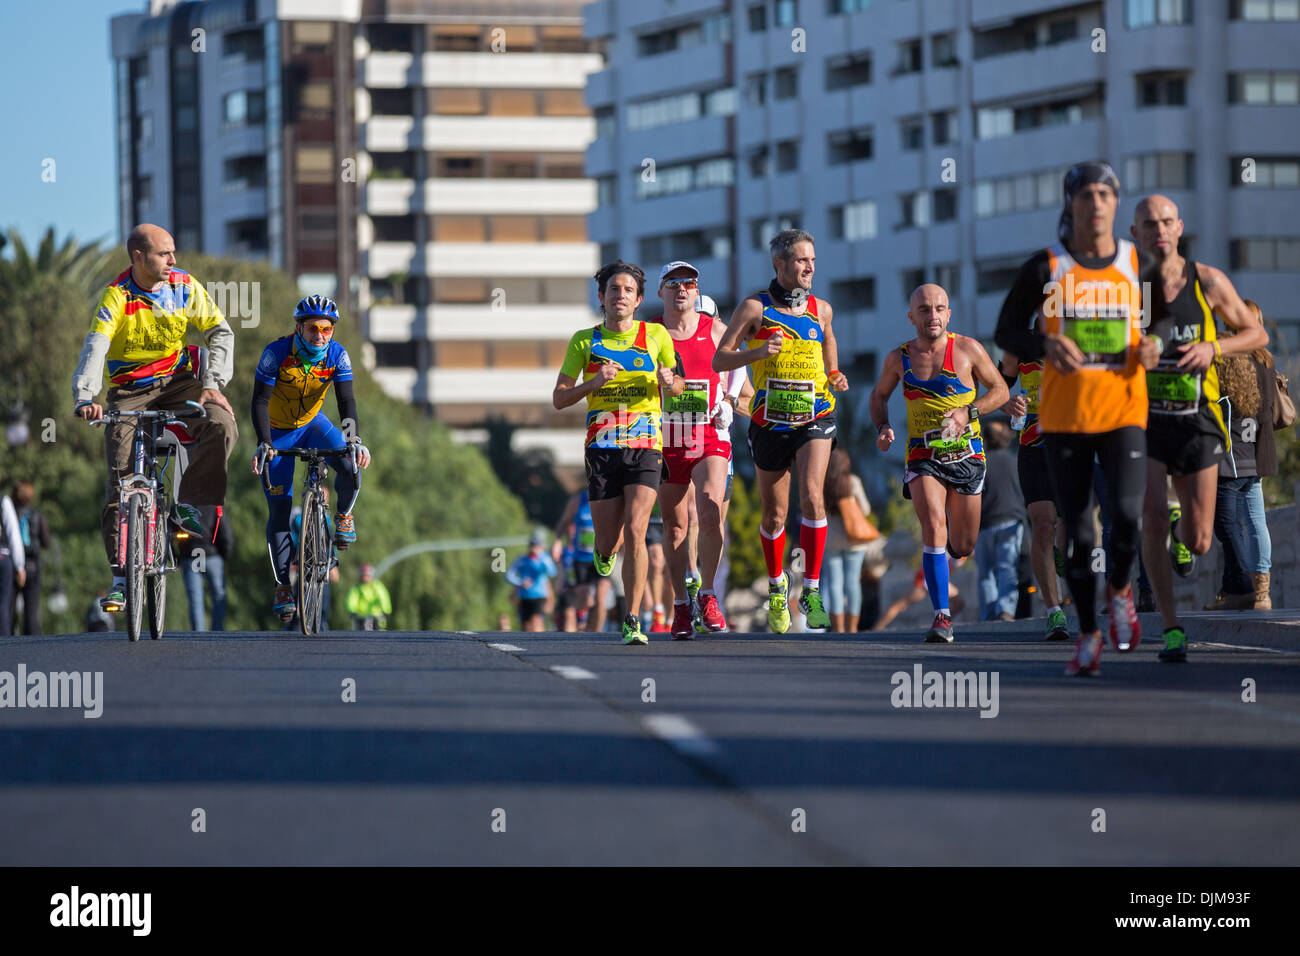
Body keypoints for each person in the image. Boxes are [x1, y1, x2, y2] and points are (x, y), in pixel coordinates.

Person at [995, 161, 1165, 677]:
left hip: (1124, 411)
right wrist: (1045, 343)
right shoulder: (1046, 267)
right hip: (1064, 418)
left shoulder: (1139, 263)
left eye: (1104, 194)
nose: (1095, 203)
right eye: (1085, 194)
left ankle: (1119, 593)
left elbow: (1165, 318)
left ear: (1116, 204)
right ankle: (1088, 632)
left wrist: (1155, 342)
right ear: (1071, 204)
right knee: (1079, 532)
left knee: (1129, 516)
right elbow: (1007, 332)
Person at [1129, 196, 1269, 662]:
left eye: (1166, 222)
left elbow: (1257, 333)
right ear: (1135, 233)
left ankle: (1180, 527)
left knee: (1199, 538)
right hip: (1145, 418)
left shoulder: (1207, 280)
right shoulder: (1128, 288)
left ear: (1180, 228)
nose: (1158, 230)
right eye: (1149, 224)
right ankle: (1171, 629)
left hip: (1198, 419)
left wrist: (1215, 346)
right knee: (1150, 517)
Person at [72, 223, 237, 613]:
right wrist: (85, 396)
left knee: (221, 424)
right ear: (138, 257)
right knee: (120, 480)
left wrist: (212, 383)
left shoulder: (183, 286)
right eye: (165, 254)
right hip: (128, 393)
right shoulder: (116, 297)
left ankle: (190, 507)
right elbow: (96, 344)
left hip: (179, 383)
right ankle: (119, 579)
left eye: (173, 252)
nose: (173, 260)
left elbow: (220, 332)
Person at [714, 229, 849, 633]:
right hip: (769, 421)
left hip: (815, 416)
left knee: (812, 497)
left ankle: (810, 588)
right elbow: (722, 359)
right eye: (801, 260)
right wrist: (756, 352)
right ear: (780, 264)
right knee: (774, 515)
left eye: (812, 260)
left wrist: (835, 374)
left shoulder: (820, 309)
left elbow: (828, 345)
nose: (809, 267)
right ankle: (777, 588)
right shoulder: (755, 307)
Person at [552, 259, 682, 645]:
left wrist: (668, 380)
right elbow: (559, 398)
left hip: (645, 445)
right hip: (603, 448)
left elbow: (677, 387)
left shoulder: (656, 336)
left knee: (639, 530)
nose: (620, 295)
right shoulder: (583, 340)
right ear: (601, 298)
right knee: (611, 541)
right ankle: (603, 549)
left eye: (628, 290)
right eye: (613, 289)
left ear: (639, 299)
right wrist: (593, 381)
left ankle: (632, 619)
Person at [870, 284, 1008, 642]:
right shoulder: (898, 358)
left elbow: (1001, 391)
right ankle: (942, 616)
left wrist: (968, 411)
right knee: (932, 525)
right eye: (925, 309)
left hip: (966, 455)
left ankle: (948, 551)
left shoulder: (968, 350)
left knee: (962, 545)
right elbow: (879, 395)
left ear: (949, 314)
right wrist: (882, 426)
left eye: (939, 308)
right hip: (922, 455)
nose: (932, 316)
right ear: (911, 316)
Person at [250, 295, 371, 624]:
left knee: (349, 465)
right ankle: (282, 587)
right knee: (280, 509)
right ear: (299, 328)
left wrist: (354, 440)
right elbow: (259, 401)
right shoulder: (276, 354)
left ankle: (344, 516)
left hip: (314, 425)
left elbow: (346, 402)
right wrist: (264, 443)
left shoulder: (338, 355)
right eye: (313, 328)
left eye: (327, 329)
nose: (320, 335)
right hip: (278, 432)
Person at [651, 262, 746, 639]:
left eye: (689, 283)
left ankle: (707, 593)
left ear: (696, 291)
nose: (681, 289)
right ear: (661, 292)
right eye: (673, 283)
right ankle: (679, 604)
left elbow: (736, 358)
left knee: (709, 510)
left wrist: (729, 397)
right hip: (668, 435)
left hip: (709, 434)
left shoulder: (715, 328)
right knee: (675, 527)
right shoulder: (652, 333)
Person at [1207, 301, 1278, 612]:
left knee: (1226, 523)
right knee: (1256, 522)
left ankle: (1244, 586)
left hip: (1231, 457)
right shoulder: (1266, 361)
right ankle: (1259, 590)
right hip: (1257, 454)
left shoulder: (1229, 359)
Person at [999, 353, 1069, 639]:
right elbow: (996, 389)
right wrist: (1008, 403)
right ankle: (1055, 612)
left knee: (1072, 528)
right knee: (1042, 524)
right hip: (1034, 447)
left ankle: (1059, 553)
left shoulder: (1082, 334)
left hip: (1074, 446)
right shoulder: (1019, 346)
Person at [975, 420, 1027, 622]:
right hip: (1011, 521)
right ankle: (1006, 610)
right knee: (1007, 568)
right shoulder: (1016, 461)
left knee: (985, 573)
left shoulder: (981, 463)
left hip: (985, 523)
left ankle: (988, 614)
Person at [822, 448, 875, 633]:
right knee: (852, 582)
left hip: (831, 540)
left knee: (834, 584)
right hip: (854, 540)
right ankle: (852, 627)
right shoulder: (853, 482)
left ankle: (837, 627)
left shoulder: (823, 483)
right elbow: (866, 510)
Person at [179, 503, 233, 631]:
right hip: (212, 556)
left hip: (190, 556)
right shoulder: (215, 505)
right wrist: (225, 555)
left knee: (195, 597)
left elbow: (170, 529)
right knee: (218, 595)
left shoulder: (181, 503)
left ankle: (198, 633)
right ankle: (217, 630)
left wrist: (176, 557)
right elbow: (225, 532)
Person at [10, 481, 50, 634]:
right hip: (33, 565)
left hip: (13, 565)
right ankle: (30, 640)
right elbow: (46, 542)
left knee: (9, 606)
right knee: (31, 608)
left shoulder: (10, 514)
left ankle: (7, 635)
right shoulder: (36, 515)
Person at [506, 531, 559, 631]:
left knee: (537, 621)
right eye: (532, 546)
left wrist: (541, 557)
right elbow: (509, 575)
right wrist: (520, 582)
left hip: (539, 596)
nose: (534, 548)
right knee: (526, 625)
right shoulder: (522, 560)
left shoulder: (544, 559)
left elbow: (552, 572)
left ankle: (540, 643)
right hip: (524, 596)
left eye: (536, 546)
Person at [0, 490, 25, 637]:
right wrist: (20, 565)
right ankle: (3, 644)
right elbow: (13, 533)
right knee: (2, 604)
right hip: (3, 557)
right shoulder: (3, 500)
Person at [347, 563, 393, 630]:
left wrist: (386, 611)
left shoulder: (377, 586)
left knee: (379, 635)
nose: (365, 578)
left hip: (376, 617)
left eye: (367, 576)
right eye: (363, 576)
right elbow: (352, 600)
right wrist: (352, 611)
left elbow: (384, 598)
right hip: (361, 618)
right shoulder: (357, 588)